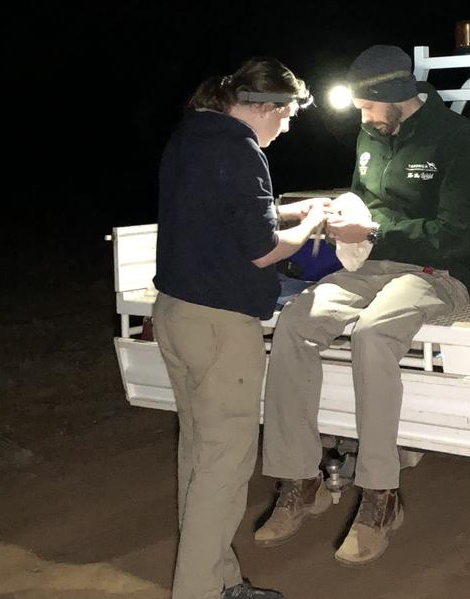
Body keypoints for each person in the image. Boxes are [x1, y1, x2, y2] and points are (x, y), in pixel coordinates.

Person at [255, 44, 470, 565]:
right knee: (295, 323)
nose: (361, 116)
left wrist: (377, 231)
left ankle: (381, 496)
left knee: (374, 332)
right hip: (372, 263)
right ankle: (300, 478)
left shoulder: (457, 141)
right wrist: (338, 212)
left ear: (393, 95)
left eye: (365, 105)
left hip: (439, 271)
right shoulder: (373, 133)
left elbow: (459, 235)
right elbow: (368, 200)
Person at [153, 57, 331, 599]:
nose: (285, 128)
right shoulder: (239, 149)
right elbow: (261, 252)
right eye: (287, 117)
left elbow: (228, 215)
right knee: (224, 474)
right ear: (268, 108)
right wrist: (313, 227)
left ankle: (223, 581)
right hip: (219, 328)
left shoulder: (191, 137)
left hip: (176, 314)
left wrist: (293, 213)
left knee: (199, 460)